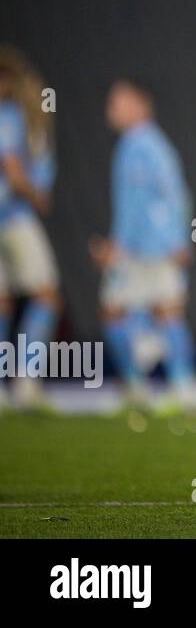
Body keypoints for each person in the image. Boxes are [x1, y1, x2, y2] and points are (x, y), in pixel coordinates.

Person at [90, 79, 196, 416]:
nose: (113, 109)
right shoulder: (139, 144)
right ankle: (163, 385)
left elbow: (170, 195)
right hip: (146, 246)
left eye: (119, 101)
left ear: (142, 103)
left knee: (137, 310)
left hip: (149, 247)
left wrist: (172, 241)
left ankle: (169, 386)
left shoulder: (144, 145)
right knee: (148, 310)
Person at [0, 48, 62, 412]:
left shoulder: (24, 115)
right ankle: (25, 381)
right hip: (13, 215)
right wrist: (35, 195)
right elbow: (11, 164)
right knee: (45, 295)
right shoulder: (11, 115)